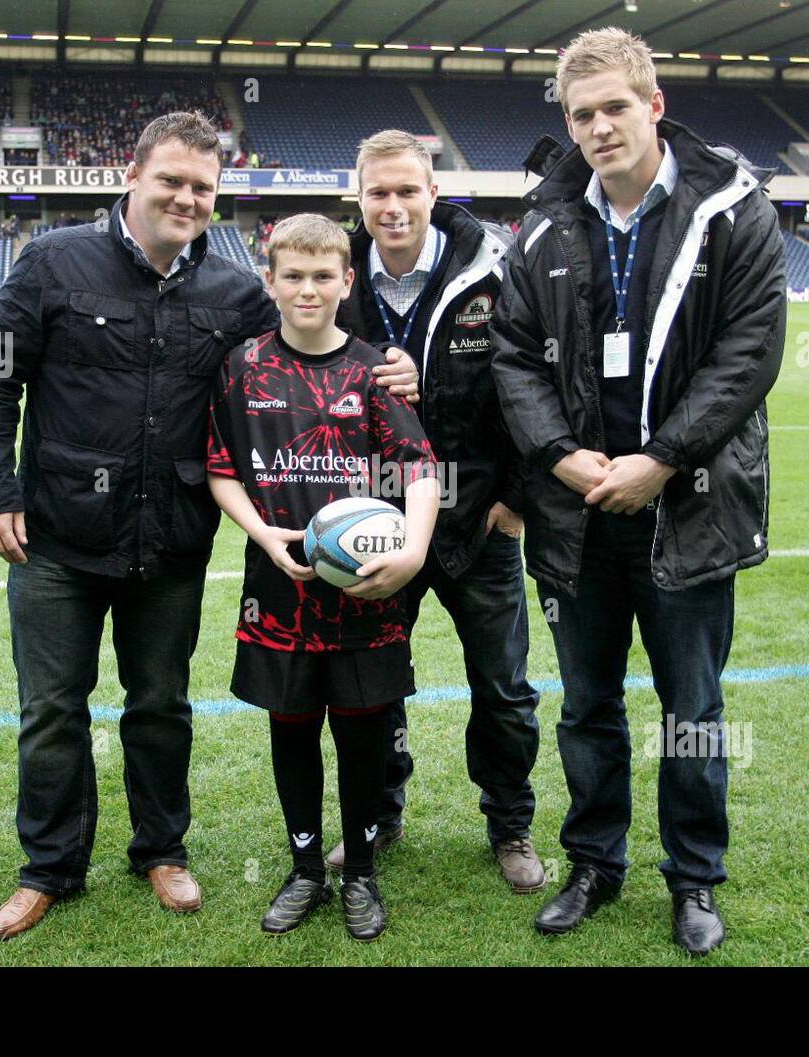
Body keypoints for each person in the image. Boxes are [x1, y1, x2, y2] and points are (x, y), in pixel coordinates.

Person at [0, 111, 419, 942]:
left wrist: (394, 363)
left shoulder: (237, 290)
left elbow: (308, 342)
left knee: (161, 703)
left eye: (203, 187)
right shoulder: (52, 260)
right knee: (54, 707)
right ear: (132, 176)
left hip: (170, 538)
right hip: (59, 535)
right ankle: (49, 868)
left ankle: (160, 850)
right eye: (171, 179)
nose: (186, 197)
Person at [490, 27, 786, 954]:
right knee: (586, 704)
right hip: (579, 511)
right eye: (581, 115)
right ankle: (594, 862)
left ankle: (694, 876)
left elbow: (748, 354)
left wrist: (659, 457)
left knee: (691, 711)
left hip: (689, 502)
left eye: (615, 106)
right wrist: (561, 458)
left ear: (654, 105)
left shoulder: (734, 209)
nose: (598, 127)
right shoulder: (542, 223)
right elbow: (512, 355)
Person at [208, 214, 440, 940]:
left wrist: (413, 553)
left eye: (322, 276)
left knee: (364, 736)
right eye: (293, 276)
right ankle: (307, 867)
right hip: (280, 589)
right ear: (270, 281)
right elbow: (221, 469)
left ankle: (362, 872)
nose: (308, 289)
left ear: (346, 281)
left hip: (369, 595)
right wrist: (263, 535)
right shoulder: (244, 367)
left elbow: (423, 469)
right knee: (293, 728)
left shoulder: (372, 370)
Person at [330, 130, 545, 893]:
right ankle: (380, 813)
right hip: (373, 516)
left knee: (504, 684)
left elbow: (530, 380)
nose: (393, 207)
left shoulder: (495, 267)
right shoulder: (335, 272)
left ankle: (510, 821)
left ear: (433, 191)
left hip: (475, 514)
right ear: (358, 198)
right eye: (377, 193)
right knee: (371, 680)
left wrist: (516, 499)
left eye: (407, 191)